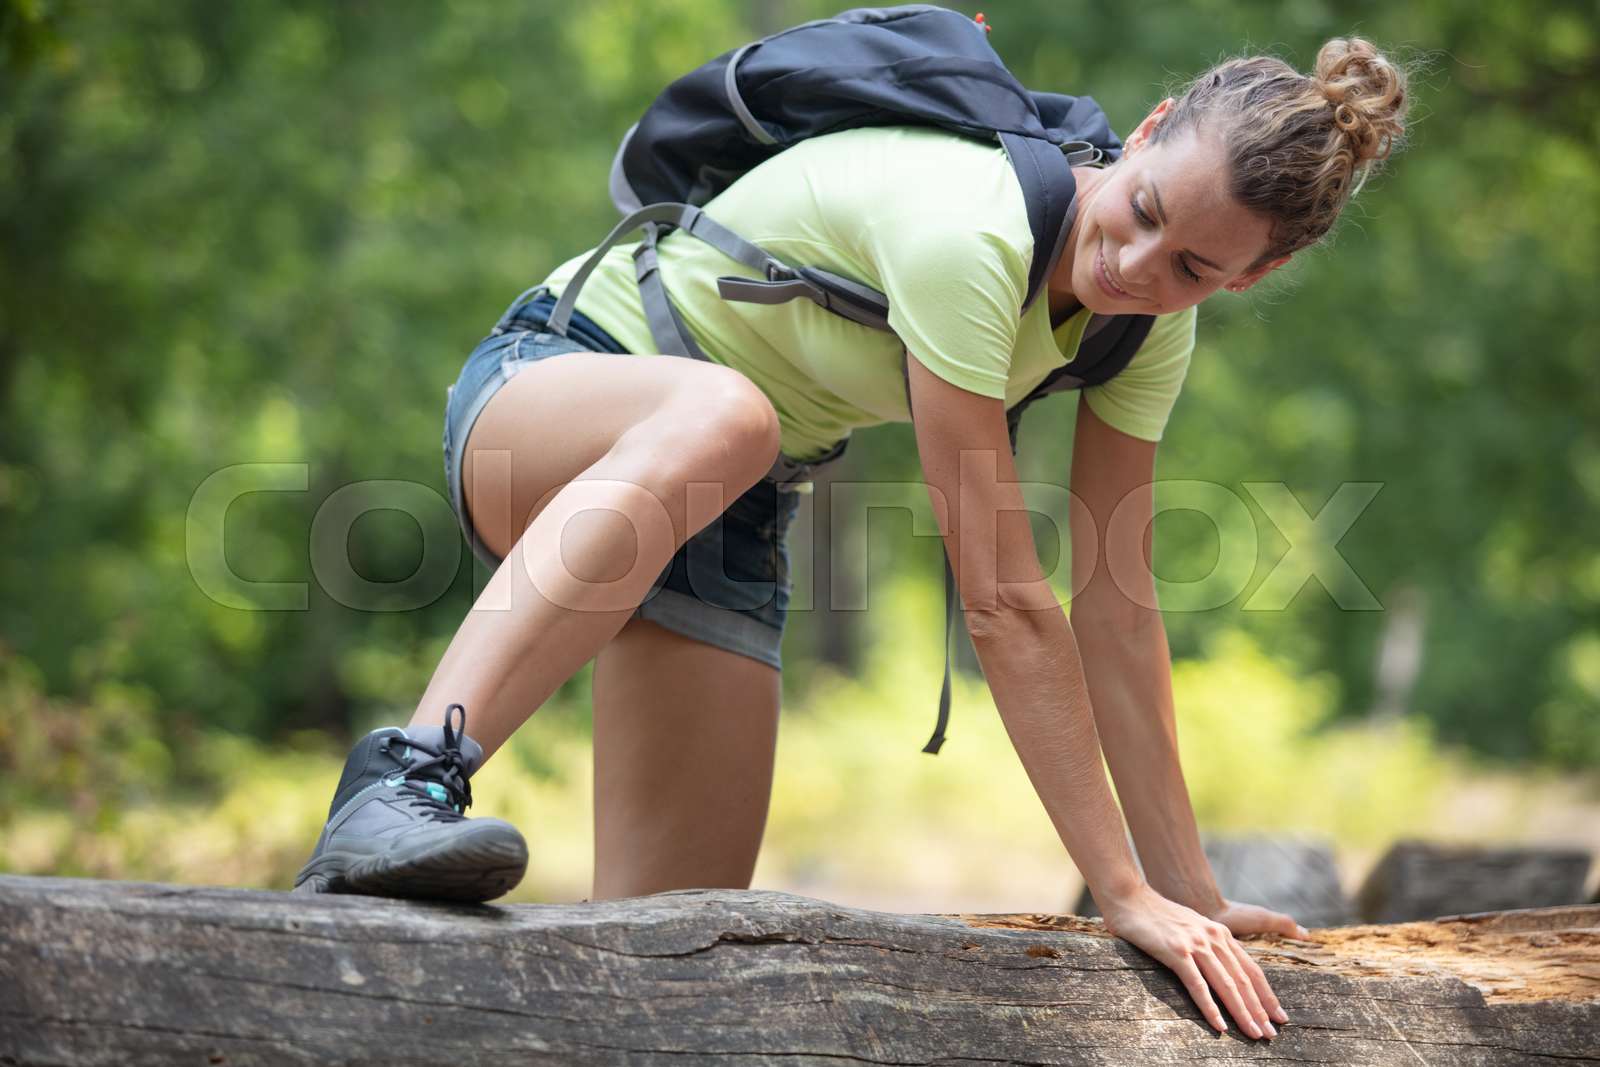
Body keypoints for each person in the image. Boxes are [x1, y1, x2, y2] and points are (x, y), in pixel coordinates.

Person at [295, 34, 1409, 1041]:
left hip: (728, 511)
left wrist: (1188, 889)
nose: (1135, 265)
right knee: (729, 413)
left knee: (668, 981)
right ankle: (406, 778)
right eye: (1147, 208)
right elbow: (1005, 601)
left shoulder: (1147, 333)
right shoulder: (969, 229)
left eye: (1190, 269)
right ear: (1150, 130)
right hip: (552, 392)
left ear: (1251, 275)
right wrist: (1116, 889)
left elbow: (1117, 609)